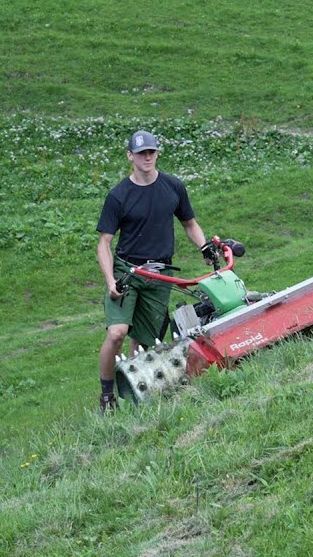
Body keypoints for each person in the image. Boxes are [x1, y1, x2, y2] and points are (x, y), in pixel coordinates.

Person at [95, 130, 214, 414]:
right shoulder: (119, 195)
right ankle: (106, 396)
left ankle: (139, 394)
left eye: (151, 152)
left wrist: (205, 247)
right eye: (140, 153)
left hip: (160, 274)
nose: (146, 157)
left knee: (145, 341)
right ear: (130, 156)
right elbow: (104, 244)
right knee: (117, 333)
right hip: (128, 271)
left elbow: (190, 224)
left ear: (157, 153)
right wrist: (111, 280)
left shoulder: (173, 186)